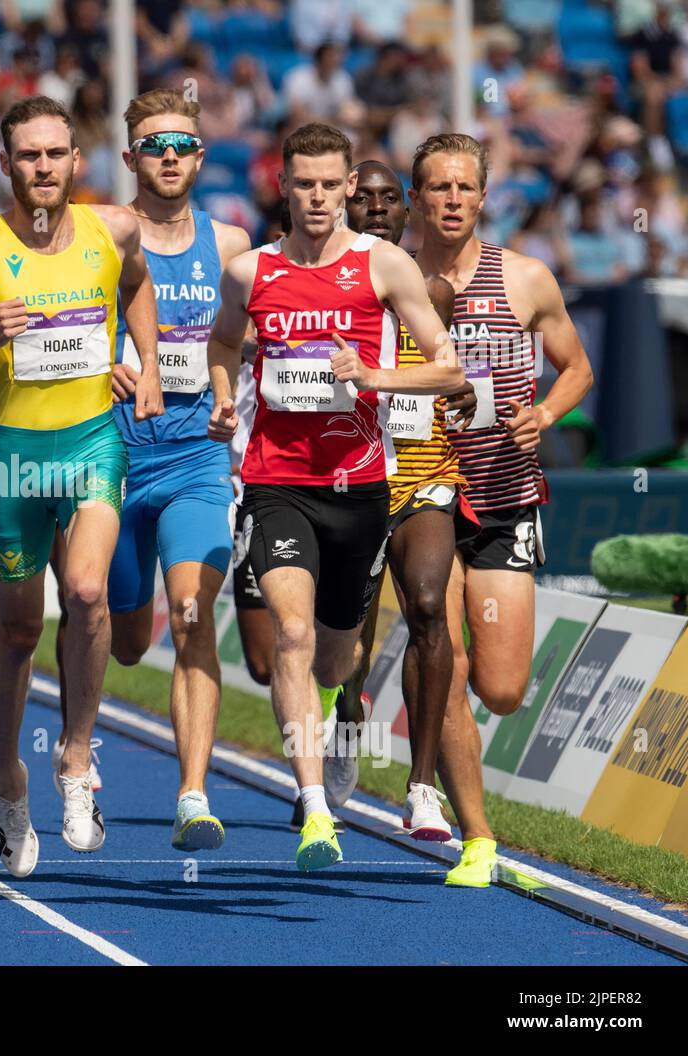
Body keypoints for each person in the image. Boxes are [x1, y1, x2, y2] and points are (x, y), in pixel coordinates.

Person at [0, 96, 162, 876]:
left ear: (76, 161)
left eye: (56, 154)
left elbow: (138, 287)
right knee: (15, 632)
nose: (43, 168)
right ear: (6, 165)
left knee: (86, 593)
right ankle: (9, 784)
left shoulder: (114, 228)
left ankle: (76, 762)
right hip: (12, 456)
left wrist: (144, 368)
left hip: (91, 442)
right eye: (28, 156)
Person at [206, 122, 465, 871]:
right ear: (282, 186)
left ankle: (346, 713)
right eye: (303, 184)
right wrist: (225, 397)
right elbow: (224, 344)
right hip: (276, 481)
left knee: (331, 658)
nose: (317, 198)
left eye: (330, 185)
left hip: (359, 488)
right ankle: (316, 809)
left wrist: (375, 378)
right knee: (289, 634)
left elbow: (448, 370)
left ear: (349, 186)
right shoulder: (250, 272)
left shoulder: (384, 265)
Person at [411, 133, 593, 887]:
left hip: (507, 494)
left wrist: (543, 417)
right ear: (418, 197)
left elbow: (577, 366)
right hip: (425, 492)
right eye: (438, 188)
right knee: (445, 662)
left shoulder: (525, 279)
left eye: (464, 188)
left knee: (503, 688)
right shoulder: (394, 278)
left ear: (483, 198)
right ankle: (477, 838)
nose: (452, 200)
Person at [106, 88, 252, 850]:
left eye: (182, 144)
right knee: (125, 638)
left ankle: (193, 794)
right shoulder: (99, 236)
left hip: (198, 456)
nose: (169, 155)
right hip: (113, 458)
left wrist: (231, 400)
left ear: (200, 157)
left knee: (193, 617)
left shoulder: (231, 245)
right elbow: (49, 330)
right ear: (130, 158)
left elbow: (248, 341)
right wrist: (105, 364)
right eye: (154, 144)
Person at [338, 159, 479, 840]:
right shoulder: (326, 292)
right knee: (346, 644)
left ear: (405, 210)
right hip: (349, 476)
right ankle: (344, 710)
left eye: (388, 198)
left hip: (425, 473)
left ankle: (422, 787)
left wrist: (462, 394)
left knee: (427, 605)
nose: (374, 208)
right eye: (360, 199)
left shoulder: (434, 291)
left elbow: (453, 378)